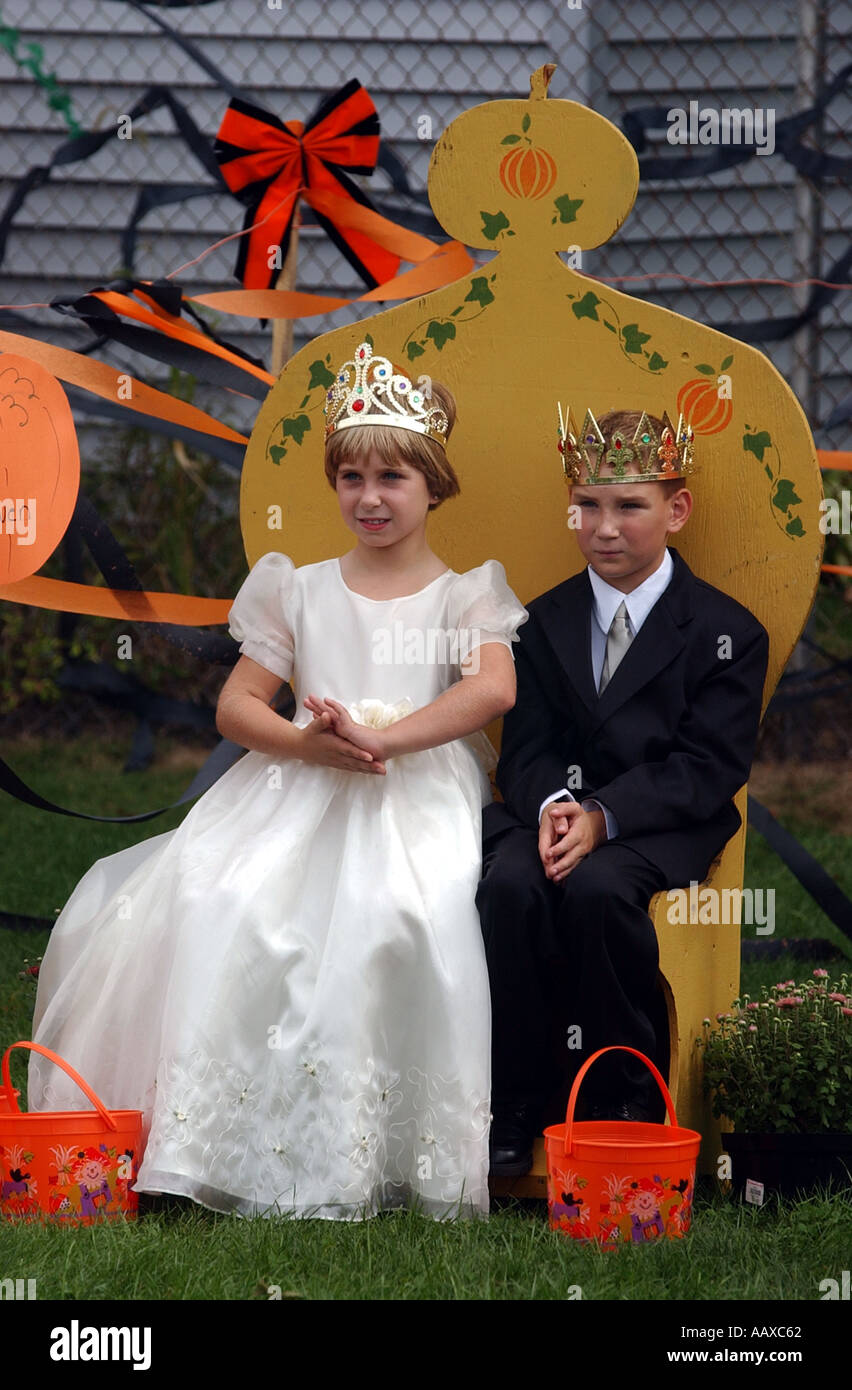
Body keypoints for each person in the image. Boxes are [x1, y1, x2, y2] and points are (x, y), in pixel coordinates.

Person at [28, 340, 527, 1219]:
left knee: (399, 913)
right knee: (220, 898)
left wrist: (382, 737)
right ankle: (216, 1134)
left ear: (433, 487)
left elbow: (492, 689)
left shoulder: (464, 594)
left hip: (409, 789)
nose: (369, 499)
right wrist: (307, 745)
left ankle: (372, 1144)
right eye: (352, 479)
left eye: (392, 480)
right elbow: (238, 705)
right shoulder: (298, 589)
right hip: (298, 783)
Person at [477, 405, 770, 1176]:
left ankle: (619, 1095)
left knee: (602, 892)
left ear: (677, 510)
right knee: (509, 883)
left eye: (630, 506)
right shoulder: (539, 623)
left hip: (660, 822)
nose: (605, 527)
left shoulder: (726, 630)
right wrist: (552, 810)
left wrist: (605, 817)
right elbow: (528, 750)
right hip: (548, 814)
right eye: (588, 506)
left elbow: (708, 767)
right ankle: (516, 1098)